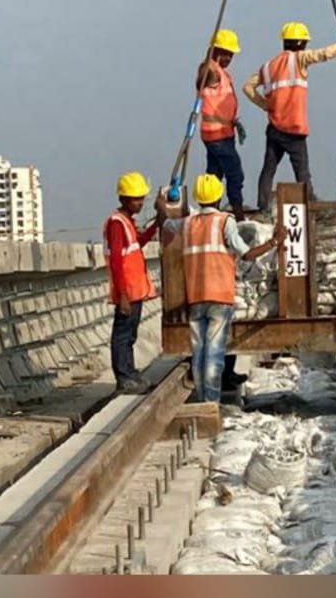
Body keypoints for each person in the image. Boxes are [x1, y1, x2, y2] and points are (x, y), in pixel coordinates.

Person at [161, 174, 280, 405]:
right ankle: (211, 404)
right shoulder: (224, 221)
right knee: (215, 353)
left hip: (195, 297)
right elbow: (246, 254)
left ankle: (202, 397)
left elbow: (166, 223)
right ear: (218, 198)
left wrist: (161, 206)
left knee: (199, 352)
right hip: (220, 297)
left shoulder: (187, 223)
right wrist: (274, 242)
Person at [244, 21, 336, 212]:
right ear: (301, 44)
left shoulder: (268, 66)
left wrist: (265, 105)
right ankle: (311, 208)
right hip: (294, 129)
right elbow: (325, 53)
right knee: (302, 173)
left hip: (274, 128)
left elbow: (247, 87)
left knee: (268, 170)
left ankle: (262, 207)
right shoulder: (299, 59)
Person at [103, 172, 162, 394]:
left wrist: (157, 222)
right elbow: (117, 261)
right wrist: (123, 295)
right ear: (125, 199)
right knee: (122, 335)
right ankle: (124, 377)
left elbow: (139, 242)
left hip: (136, 291)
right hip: (127, 291)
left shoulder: (127, 223)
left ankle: (130, 372)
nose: (140, 203)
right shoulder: (117, 224)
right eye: (137, 199)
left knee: (130, 335)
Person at [197, 29, 250, 220]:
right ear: (216, 51)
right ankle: (238, 214)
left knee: (214, 175)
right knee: (235, 173)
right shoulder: (210, 70)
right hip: (216, 135)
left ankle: (211, 212)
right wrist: (209, 58)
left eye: (231, 55)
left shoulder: (223, 73)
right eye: (225, 54)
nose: (229, 58)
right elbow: (203, 76)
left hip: (224, 132)